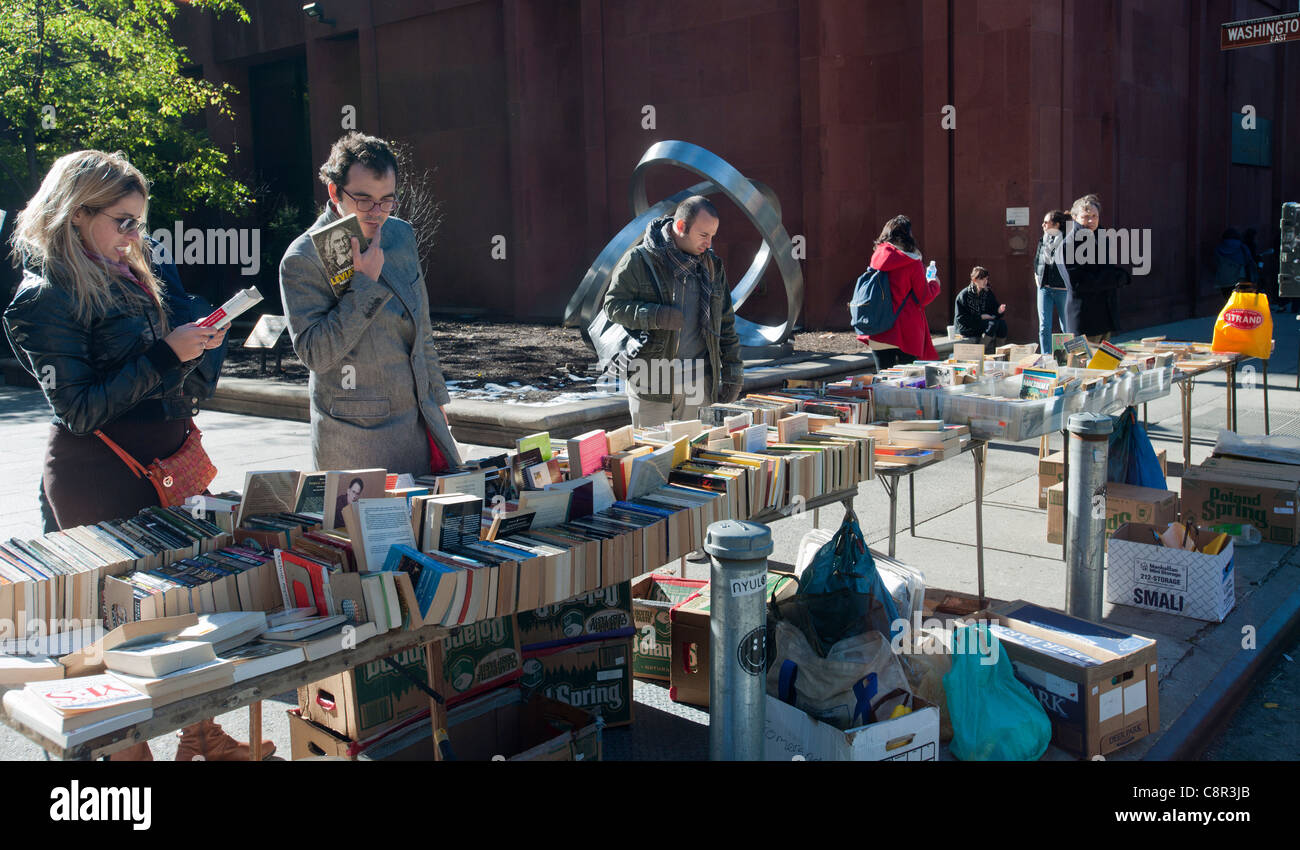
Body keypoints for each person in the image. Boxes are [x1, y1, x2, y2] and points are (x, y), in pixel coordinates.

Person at [3, 149, 272, 761]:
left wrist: (204, 346)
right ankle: (125, 758)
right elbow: (79, 409)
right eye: (122, 221)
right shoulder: (43, 296)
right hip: (100, 473)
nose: (134, 237)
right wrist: (165, 356)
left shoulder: (138, 269)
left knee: (180, 610)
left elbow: (187, 390)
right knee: (109, 630)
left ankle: (197, 735)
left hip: (169, 459)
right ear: (75, 214)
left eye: (139, 224)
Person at [280, 132, 461, 473]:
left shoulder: (401, 234)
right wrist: (363, 285)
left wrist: (436, 398)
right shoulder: (302, 258)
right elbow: (316, 354)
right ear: (335, 191)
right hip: (354, 437)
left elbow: (422, 330)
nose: (377, 213)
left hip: (419, 423)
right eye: (363, 199)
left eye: (387, 200)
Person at [603, 195, 743, 428]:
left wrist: (733, 372)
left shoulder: (712, 266)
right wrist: (654, 316)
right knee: (651, 458)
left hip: (698, 382)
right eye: (703, 235)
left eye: (712, 236)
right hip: (650, 381)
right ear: (680, 227)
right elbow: (612, 305)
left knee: (692, 458)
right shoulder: (639, 260)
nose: (709, 243)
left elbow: (725, 322)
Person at [857, 214, 941, 368]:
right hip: (906, 332)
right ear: (908, 235)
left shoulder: (877, 257)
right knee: (909, 384)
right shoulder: (912, 262)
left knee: (883, 383)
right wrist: (934, 284)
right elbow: (923, 297)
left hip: (878, 329)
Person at [1060, 193, 1129, 344]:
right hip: (1085, 320)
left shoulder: (1100, 238)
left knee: (1105, 365)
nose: (1091, 220)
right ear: (1075, 217)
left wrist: (1118, 276)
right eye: (1085, 216)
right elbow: (1078, 283)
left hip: (1104, 317)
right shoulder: (1069, 245)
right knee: (1084, 365)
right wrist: (1115, 278)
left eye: (1094, 216)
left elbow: (1106, 270)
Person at [1034, 210, 1070, 355]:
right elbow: (1037, 260)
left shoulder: (1067, 240)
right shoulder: (1043, 239)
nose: (1043, 224)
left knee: (1066, 326)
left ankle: (1070, 356)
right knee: (1044, 326)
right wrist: (1036, 275)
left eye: (1046, 222)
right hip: (1044, 289)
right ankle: (1046, 356)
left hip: (1062, 289)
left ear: (1056, 225)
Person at [954, 266, 1006, 352]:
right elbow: (961, 319)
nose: (986, 282)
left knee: (1002, 324)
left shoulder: (986, 292)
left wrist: (999, 311)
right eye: (983, 279)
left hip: (980, 323)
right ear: (975, 280)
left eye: (987, 279)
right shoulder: (964, 295)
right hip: (967, 327)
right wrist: (980, 317)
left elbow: (994, 310)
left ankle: (1000, 353)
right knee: (992, 324)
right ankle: (979, 352)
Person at [1214, 228, 1254, 299]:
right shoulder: (1242, 247)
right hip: (1239, 278)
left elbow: (1215, 263)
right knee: (1239, 300)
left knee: (1227, 299)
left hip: (1223, 280)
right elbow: (1248, 260)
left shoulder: (1218, 248)